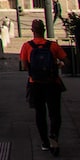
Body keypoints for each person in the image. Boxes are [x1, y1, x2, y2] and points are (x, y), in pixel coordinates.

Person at [21, 18, 67, 153]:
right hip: (52, 83)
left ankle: (45, 142)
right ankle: (54, 135)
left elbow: (24, 67)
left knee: (40, 113)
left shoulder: (27, 46)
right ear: (44, 30)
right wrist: (58, 65)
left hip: (35, 84)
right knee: (55, 113)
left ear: (32, 31)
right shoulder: (53, 46)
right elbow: (66, 61)